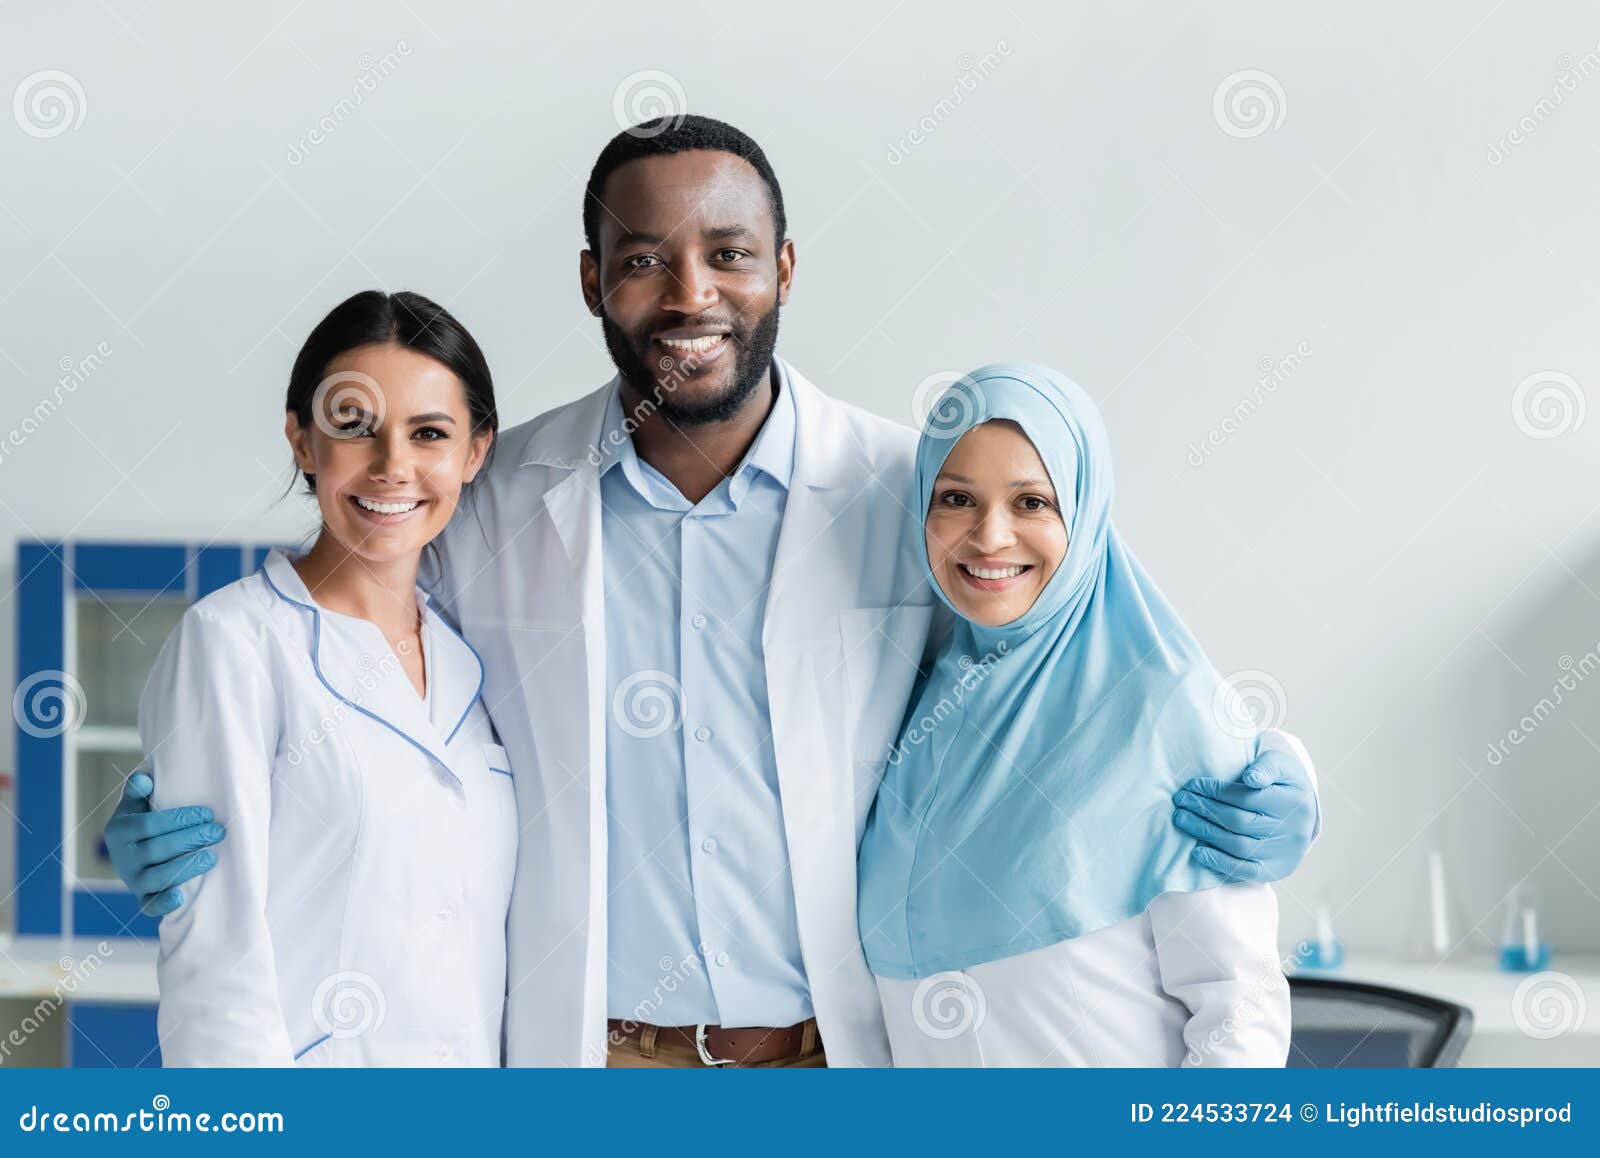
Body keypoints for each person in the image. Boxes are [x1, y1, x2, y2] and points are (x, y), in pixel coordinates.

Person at [106, 116, 1318, 1068]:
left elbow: (1074, 661)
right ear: (592, 282)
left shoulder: (914, 492)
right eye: (643, 260)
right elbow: (351, 687)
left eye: (729, 255)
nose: (691, 294)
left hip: (835, 1060)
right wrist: (169, 830)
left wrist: (1273, 785)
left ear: (782, 267)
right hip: (592, 1063)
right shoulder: (490, 493)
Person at [859, 364, 1291, 1066]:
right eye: (956, 498)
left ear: (1085, 511)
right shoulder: (912, 704)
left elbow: (1240, 1015)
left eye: (1032, 502)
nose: (989, 537)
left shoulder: (1168, 712)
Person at [137, 290, 514, 1065]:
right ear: (302, 442)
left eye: (430, 434)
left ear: (474, 453)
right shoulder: (233, 642)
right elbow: (214, 962)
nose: (393, 467)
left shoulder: (470, 659)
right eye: (355, 428)